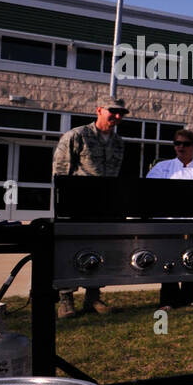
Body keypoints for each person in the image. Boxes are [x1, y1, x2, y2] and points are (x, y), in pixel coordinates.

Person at [51, 96, 127, 317]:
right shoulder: (76, 136)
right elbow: (60, 172)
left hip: (105, 207)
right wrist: (62, 204)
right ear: (99, 110)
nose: (117, 116)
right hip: (76, 204)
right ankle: (66, 300)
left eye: (121, 113)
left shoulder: (119, 143)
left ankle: (93, 298)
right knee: (69, 250)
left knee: (99, 250)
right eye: (113, 111)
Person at [148, 128, 193, 308]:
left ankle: (191, 297)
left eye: (185, 144)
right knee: (168, 261)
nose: (181, 147)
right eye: (177, 143)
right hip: (169, 223)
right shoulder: (161, 168)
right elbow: (149, 192)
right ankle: (168, 299)